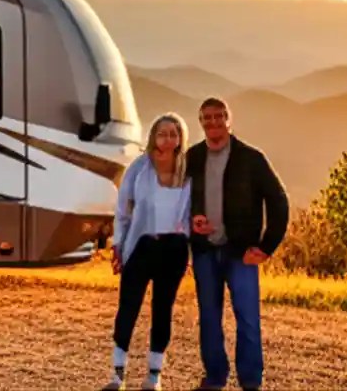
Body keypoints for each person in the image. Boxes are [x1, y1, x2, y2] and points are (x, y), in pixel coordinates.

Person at [186, 97, 290, 391]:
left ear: (229, 120)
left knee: (247, 320)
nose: (214, 122)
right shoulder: (192, 158)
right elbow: (181, 198)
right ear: (201, 122)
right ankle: (215, 377)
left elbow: (279, 200)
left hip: (241, 253)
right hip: (205, 251)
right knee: (208, 319)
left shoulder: (251, 159)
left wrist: (267, 247)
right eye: (207, 117)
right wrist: (193, 218)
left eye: (219, 116)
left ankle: (251, 381)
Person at [105, 112, 192, 391]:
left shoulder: (187, 170)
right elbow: (123, 209)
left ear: (180, 139)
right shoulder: (140, 168)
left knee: (162, 310)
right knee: (128, 308)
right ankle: (118, 374)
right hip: (142, 245)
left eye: (174, 133)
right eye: (163, 133)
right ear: (153, 136)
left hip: (174, 249)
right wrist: (118, 244)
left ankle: (154, 375)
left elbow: (193, 212)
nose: (168, 139)